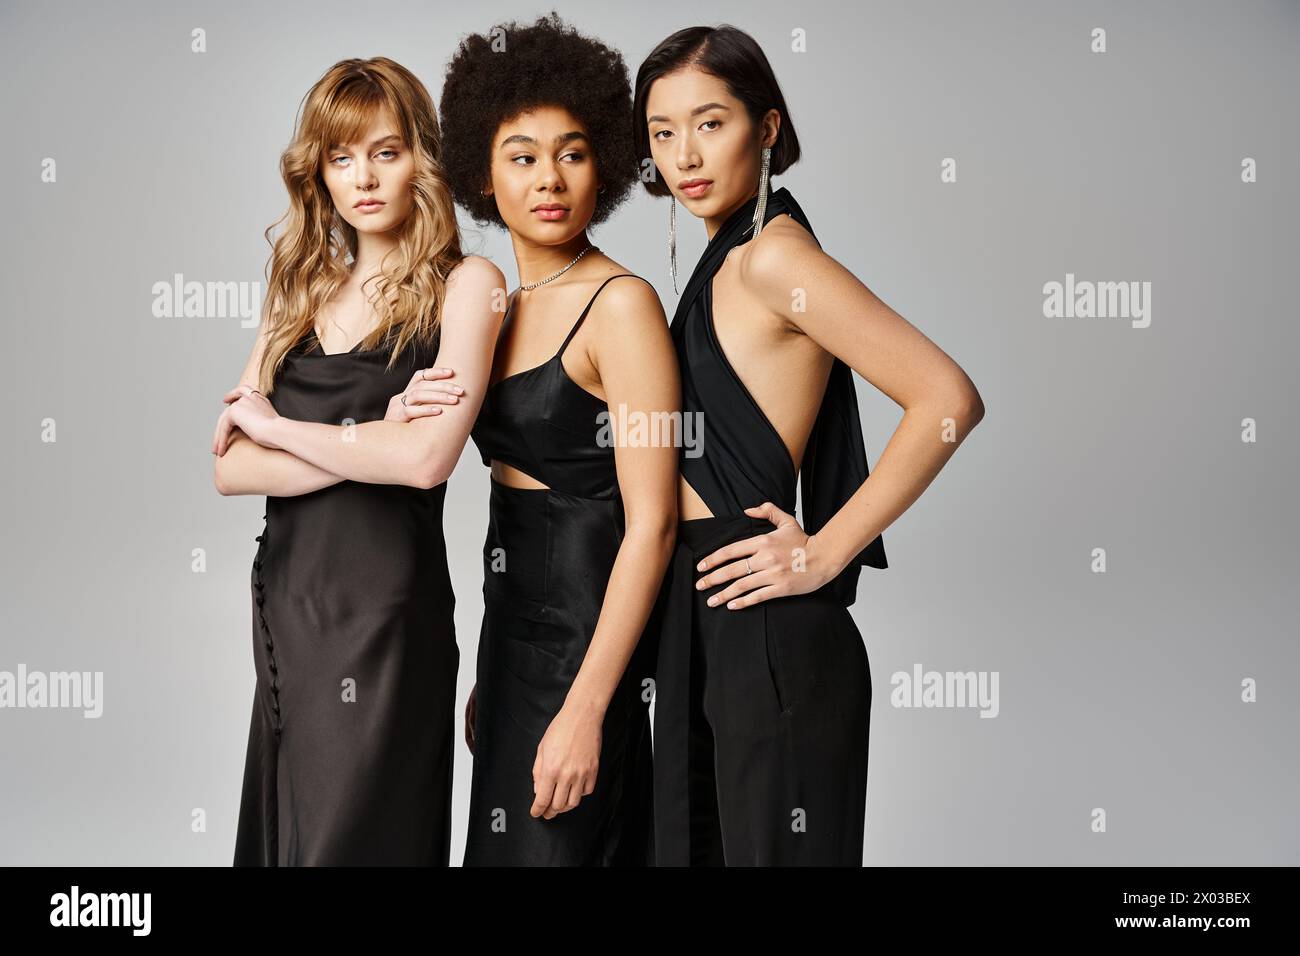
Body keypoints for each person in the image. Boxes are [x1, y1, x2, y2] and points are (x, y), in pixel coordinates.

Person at [635, 25, 986, 865]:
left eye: (711, 123)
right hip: (706, 616)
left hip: (767, 629)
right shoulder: (726, 259)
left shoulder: (770, 260)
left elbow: (948, 397)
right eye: (662, 130)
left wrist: (827, 551)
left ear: (769, 127)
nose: (685, 153)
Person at [211, 57, 506, 865]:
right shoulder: (296, 293)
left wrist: (282, 428)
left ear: (423, 157)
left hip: (388, 616)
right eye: (341, 157)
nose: (363, 177)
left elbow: (425, 463)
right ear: (320, 174)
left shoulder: (470, 286)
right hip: (289, 609)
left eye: (385, 151)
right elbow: (231, 468)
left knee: (360, 840)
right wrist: (372, 430)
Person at [433, 13, 678, 865]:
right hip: (510, 639)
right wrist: (494, 679)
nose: (550, 178)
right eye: (522, 155)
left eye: (573, 153)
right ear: (481, 172)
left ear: (602, 165)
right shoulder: (490, 305)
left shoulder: (623, 306)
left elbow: (653, 525)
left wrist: (586, 710)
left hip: (588, 641)